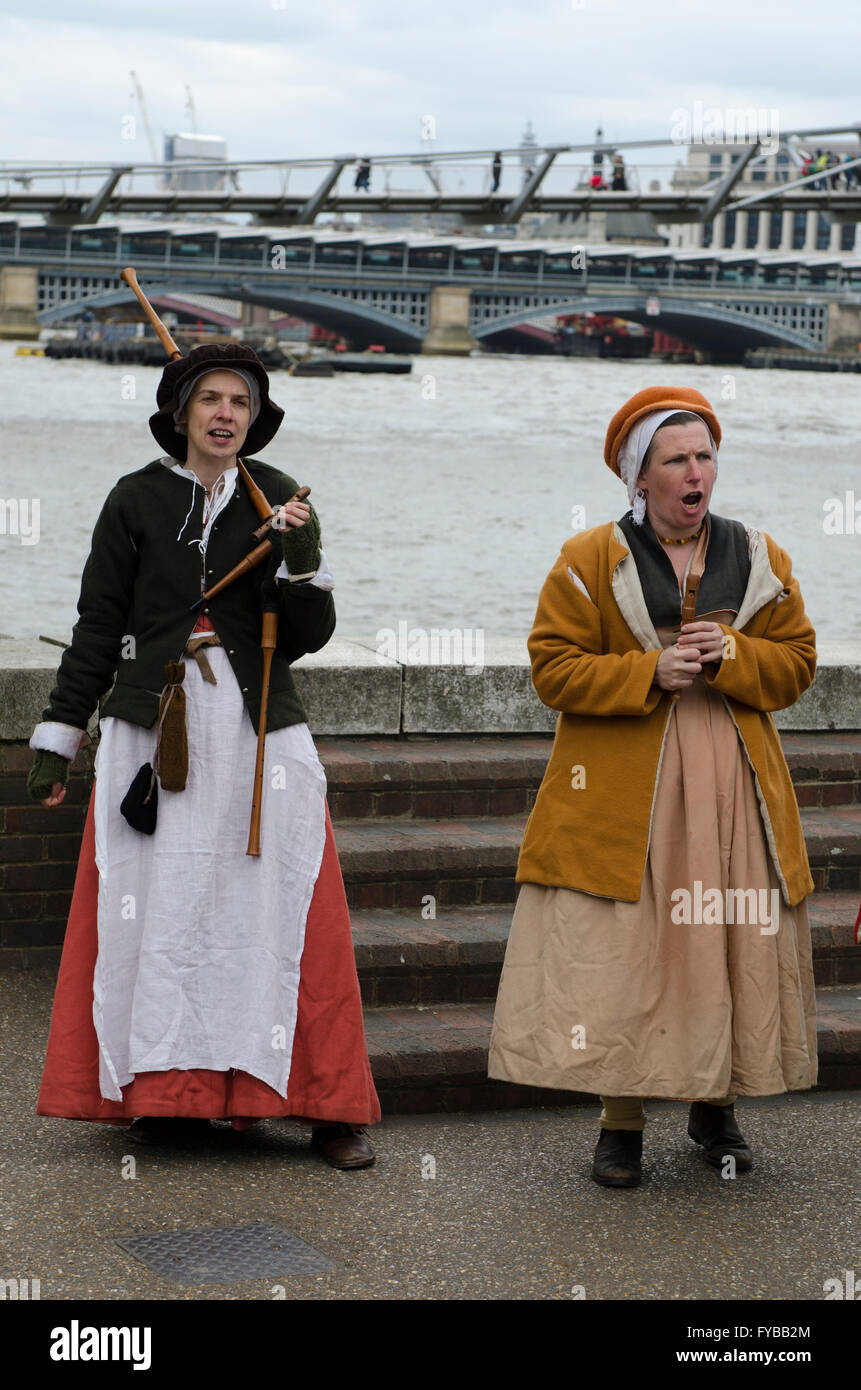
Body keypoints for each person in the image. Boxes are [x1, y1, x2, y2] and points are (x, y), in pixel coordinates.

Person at [28, 342, 380, 1169]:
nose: (226, 414)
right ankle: (170, 1098)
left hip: (259, 732)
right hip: (157, 733)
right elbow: (96, 626)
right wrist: (60, 737)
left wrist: (302, 558)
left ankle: (322, 1106)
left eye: (240, 403)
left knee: (277, 911)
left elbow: (307, 640)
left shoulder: (279, 498)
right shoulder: (135, 500)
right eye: (211, 399)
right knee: (162, 913)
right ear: (181, 412)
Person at [488, 385, 818, 1188]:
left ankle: (716, 1108)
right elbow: (552, 669)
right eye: (676, 459)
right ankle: (620, 1124)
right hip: (624, 791)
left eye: (705, 456)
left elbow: (799, 663)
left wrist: (734, 657)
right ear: (640, 476)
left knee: (727, 941)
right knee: (630, 950)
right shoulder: (586, 559)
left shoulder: (760, 556)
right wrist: (649, 670)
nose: (695, 472)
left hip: (733, 785)